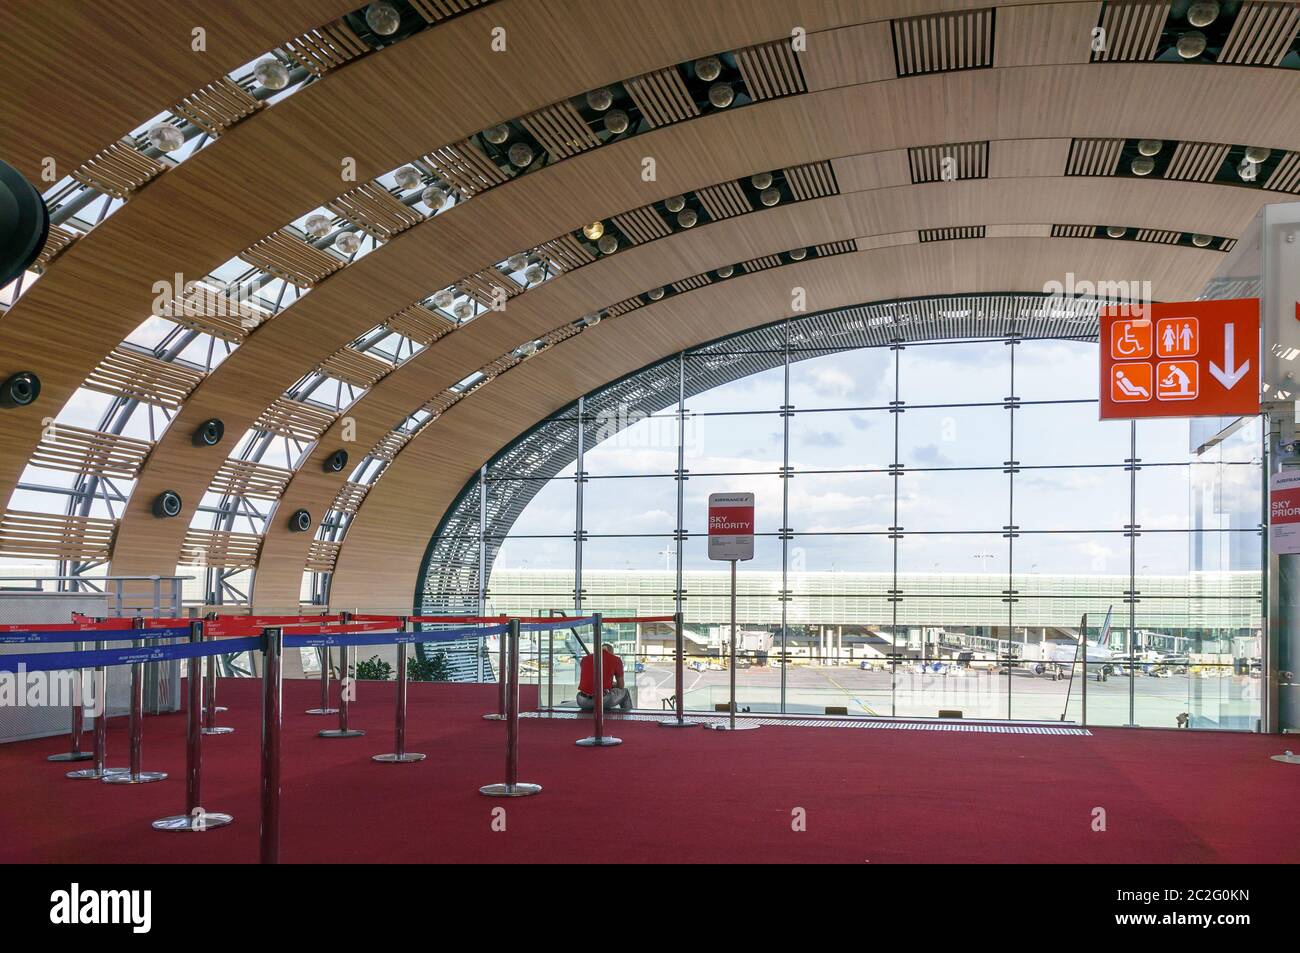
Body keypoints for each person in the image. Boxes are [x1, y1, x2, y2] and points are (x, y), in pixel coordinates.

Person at [576, 641, 633, 712]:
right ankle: (629, 717)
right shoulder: (616, 659)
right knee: (625, 692)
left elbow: (590, 678)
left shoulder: (585, 659)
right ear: (611, 652)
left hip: (581, 700)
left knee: (603, 693)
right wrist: (613, 684)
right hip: (602, 701)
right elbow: (621, 685)